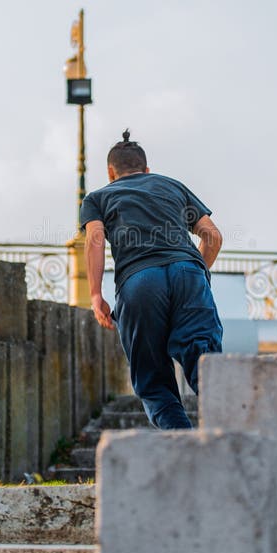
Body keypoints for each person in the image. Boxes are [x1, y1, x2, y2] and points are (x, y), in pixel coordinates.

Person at [80, 130, 223, 429]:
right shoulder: (171, 186)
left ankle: (185, 450)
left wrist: (95, 294)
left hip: (139, 282)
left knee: (154, 380)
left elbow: (95, 238)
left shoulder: (97, 198)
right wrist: (197, 273)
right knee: (207, 366)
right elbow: (212, 236)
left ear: (110, 172)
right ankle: (235, 441)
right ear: (147, 170)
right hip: (188, 272)